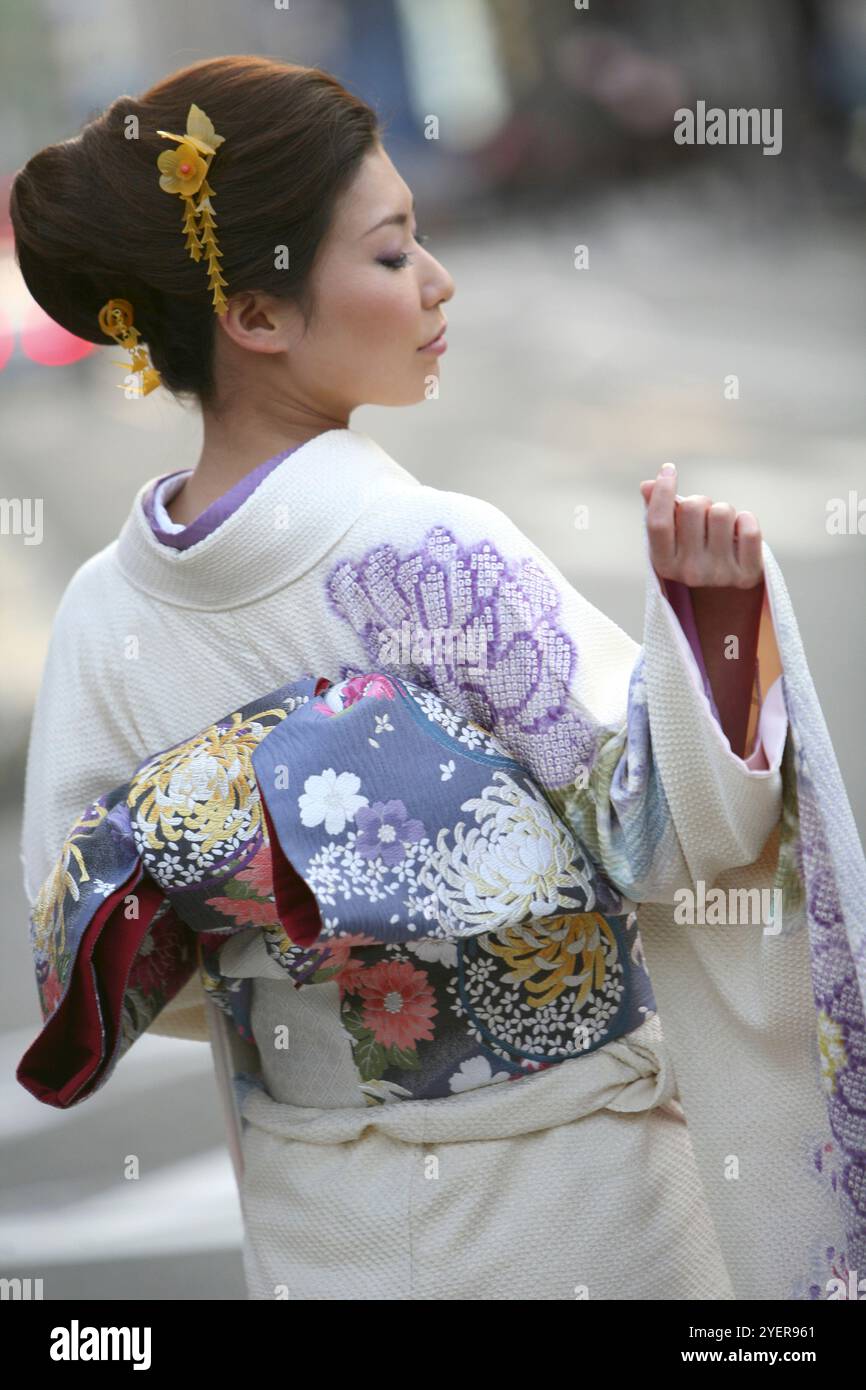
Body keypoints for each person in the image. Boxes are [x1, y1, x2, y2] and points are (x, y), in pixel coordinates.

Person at [11, 55, 865, 1303]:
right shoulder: (427, 555)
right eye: (393, 251)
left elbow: (87, 942)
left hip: (315, 1200)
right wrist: (717, 640)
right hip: (565, 1188)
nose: (436, 279)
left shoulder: (102, 612)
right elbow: (658, 833)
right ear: (255, 314)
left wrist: (315, 968)